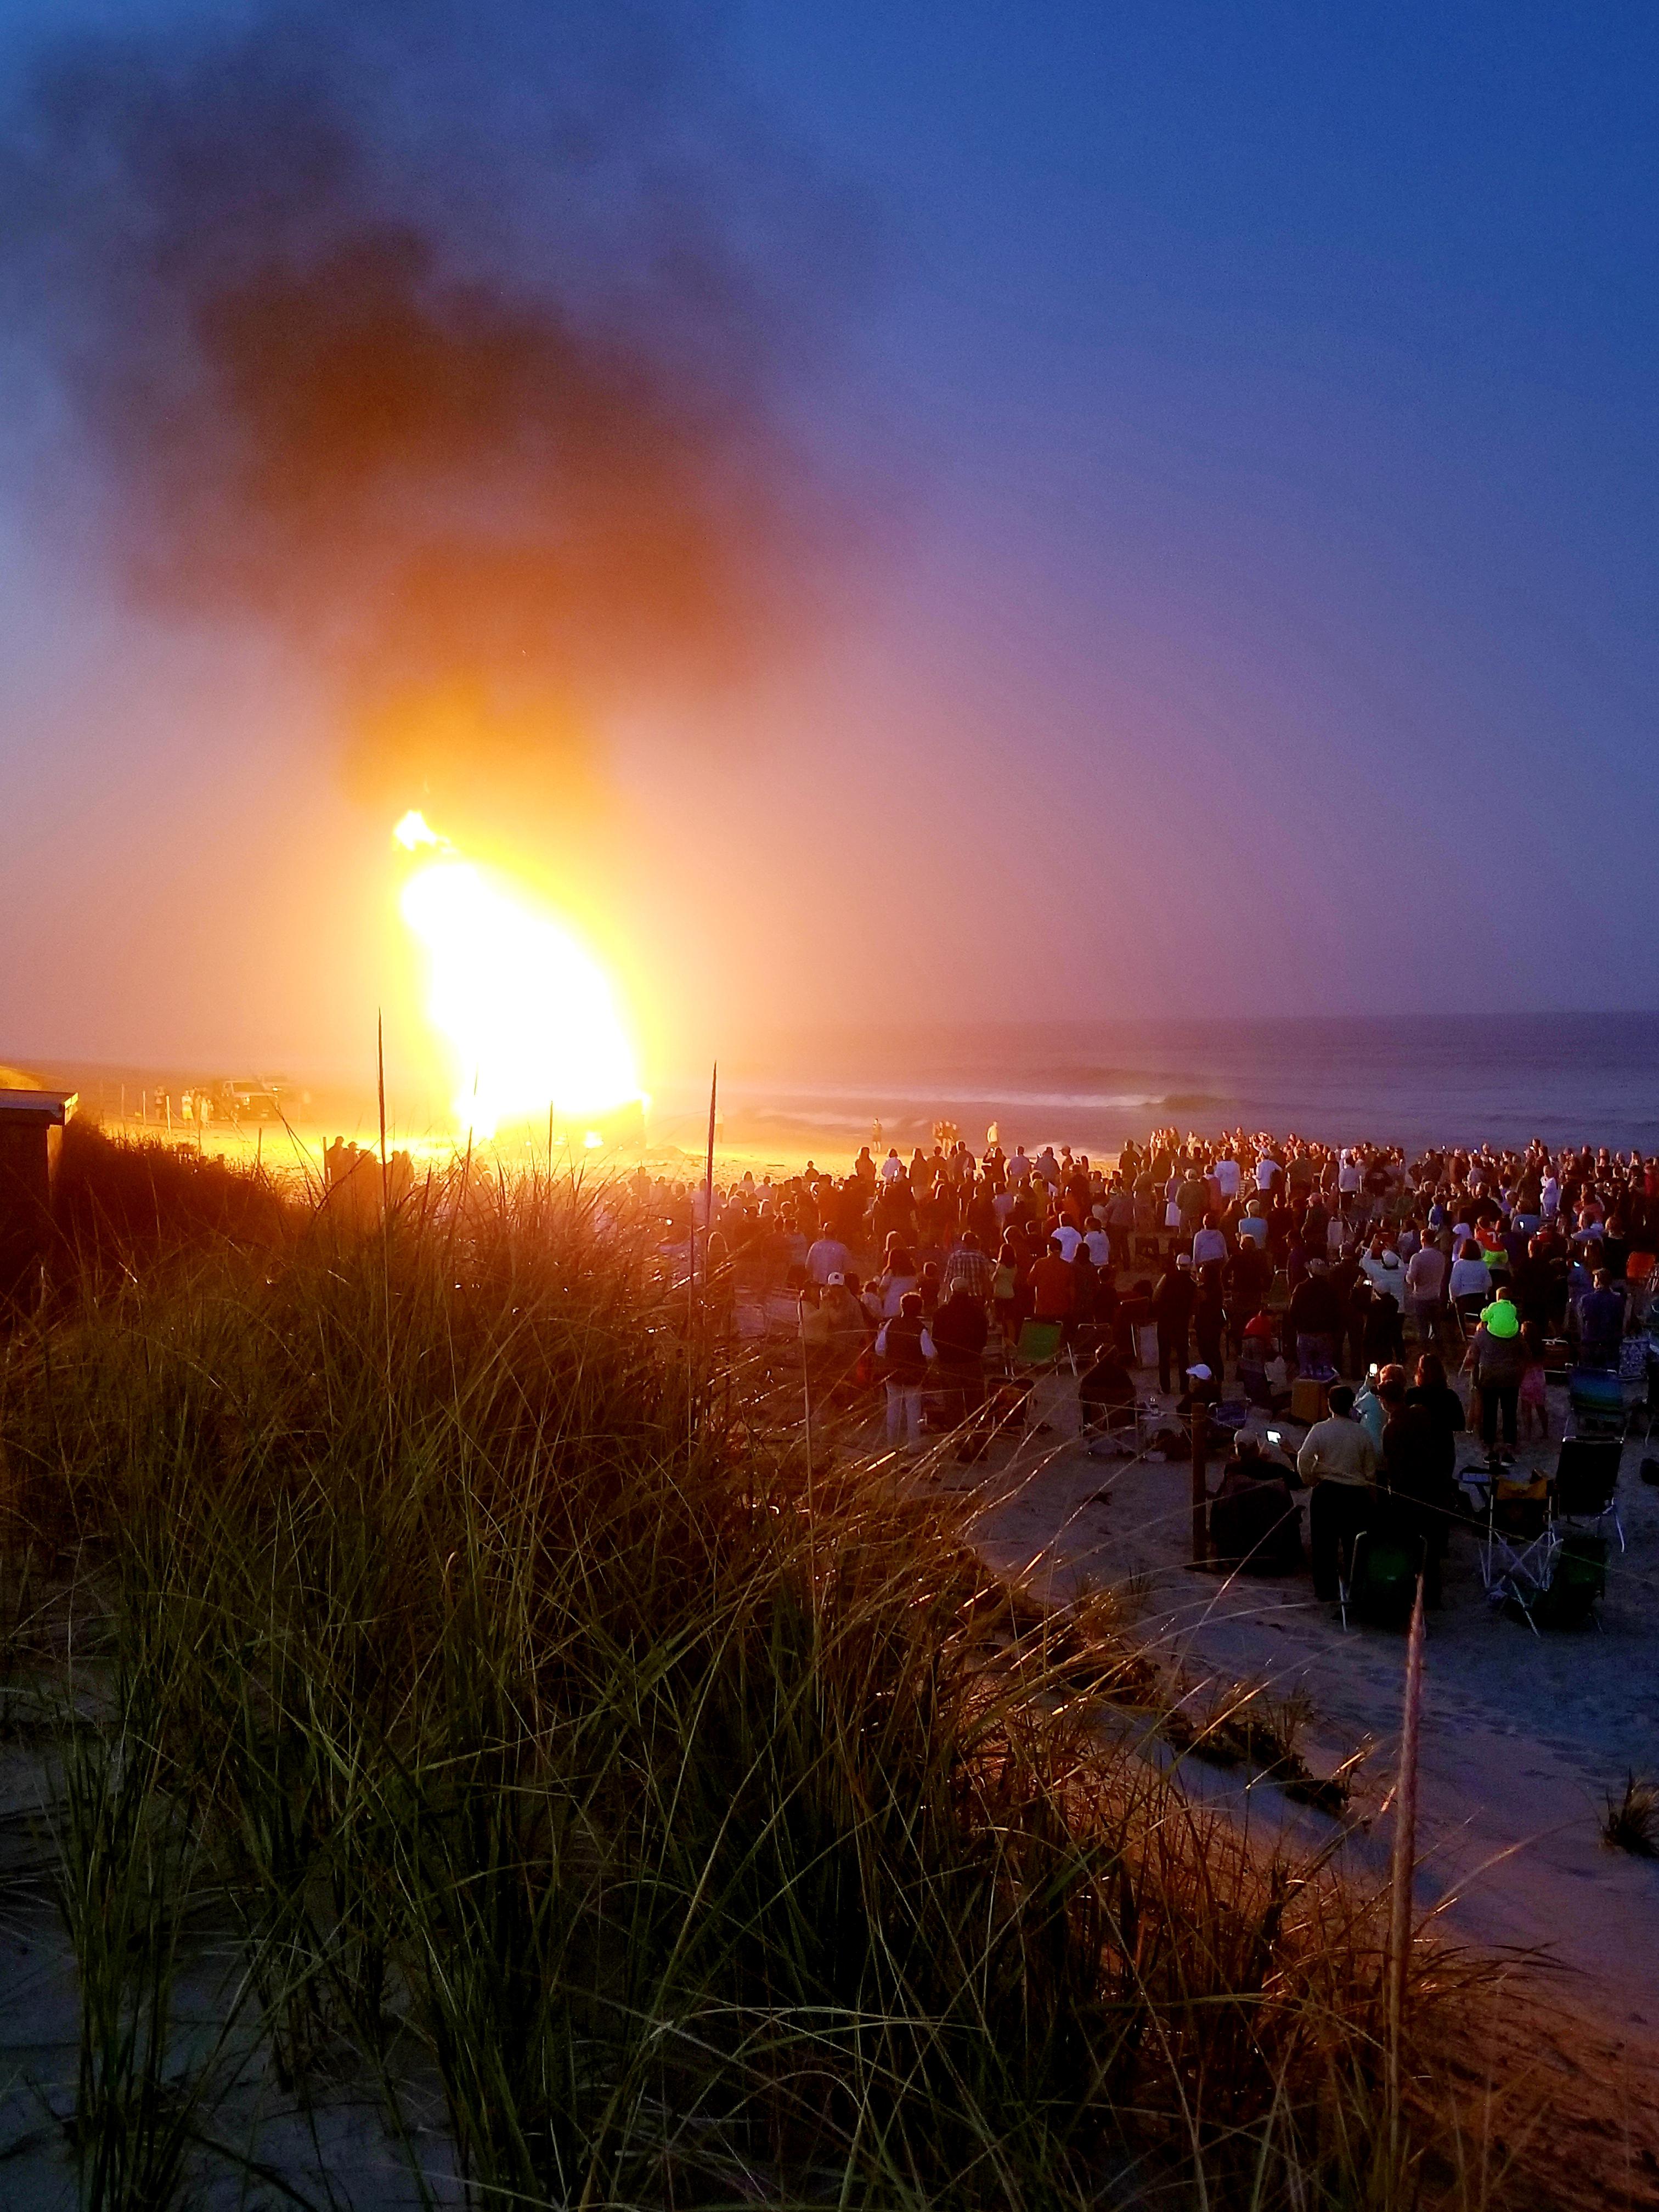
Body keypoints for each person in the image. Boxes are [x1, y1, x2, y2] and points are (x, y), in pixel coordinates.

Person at [1296, 1384, 1380, 1601]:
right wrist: (1371, 1496)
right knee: (1355, 1545)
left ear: (1329, 1405)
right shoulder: (1361, 1433)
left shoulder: (1320, 1429)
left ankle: (1325, 1590)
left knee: (1324, 1545)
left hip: (1327, 1492)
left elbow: (1304, 1458)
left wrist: (1311, 1479)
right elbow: (1370, 1471)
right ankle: (1356, 1589)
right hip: (1355, 1494)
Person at [1208, 1438, 1303, 1576]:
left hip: (1240, 1553)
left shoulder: (1233, 1470)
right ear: (1257, 1449)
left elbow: (1221, 1506)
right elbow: (1301, 1482)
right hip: (1276, 1551)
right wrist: (1291, 1454)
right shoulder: (1276, 1470)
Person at [1465, 1289, 1526, 1461]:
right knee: (1509, 1412)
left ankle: (1490, 1446)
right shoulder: (1516, 1336)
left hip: (1489, 1377)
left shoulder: (1483, 1335)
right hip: (1511, 1378)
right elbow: (1527, 1355)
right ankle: (1509, 1446)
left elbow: (1474, 1356)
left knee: (1490, 1411)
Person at [876, 1292, 935, 1454]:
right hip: (914, 1375)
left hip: (893, 1372)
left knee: (893, 1408)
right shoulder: (920, 1329)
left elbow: (879, 1348)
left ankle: (891, 1444)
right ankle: (914, 1446)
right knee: (913, 1409)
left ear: (902, 1306)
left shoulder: (891, 1324)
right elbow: (930, 1353)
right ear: (919, 1309)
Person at [1150, 1254, 1196, 1393]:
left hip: (1165, 1321)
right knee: (1183, 1355)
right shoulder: (1192, 1284)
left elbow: (1156, 1297)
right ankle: (1184, 1387)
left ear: (1177, 1264)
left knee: (1164, 1356)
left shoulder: (1167, 1278)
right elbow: (1195, 1306)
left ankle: (1165, 1387)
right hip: (1181, 1323)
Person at [1518, 1318, 1549, 1442]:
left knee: (1526, 1409)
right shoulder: (1540, 1346)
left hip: (1526, 1380)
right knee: (1541, 1408)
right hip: (1539, 1378)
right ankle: (1545, 1432)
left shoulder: (1523, 1347)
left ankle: (1528, 1433)